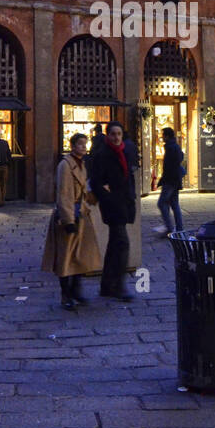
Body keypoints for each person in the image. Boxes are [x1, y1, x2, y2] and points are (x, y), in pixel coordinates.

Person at [43, 132, 103, 309]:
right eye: (81, 144)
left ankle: (76, 291)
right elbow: (64, 195)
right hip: (69, 216)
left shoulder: (82, 164)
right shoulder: (65, 165)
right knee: (66, 258)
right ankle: (65, 295)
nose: (84, 147)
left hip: (81, 215)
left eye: (85, 144)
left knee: (80, 255)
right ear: (73, 146)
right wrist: (68, 220)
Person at [87, 120, 137, 300]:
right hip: (112, 205)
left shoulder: (125, 151)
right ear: (107, 135)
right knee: (122, 244)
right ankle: (119, 285)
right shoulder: (102, 154)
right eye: (113, 134)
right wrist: (108, 198)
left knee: (114, 244)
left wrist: (131, 198)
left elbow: (129, 177)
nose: (116, 137)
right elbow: (95, 182)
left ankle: (107, 285)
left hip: (124, 203)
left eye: (119, 134)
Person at [155, 126, 184, 235]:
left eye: (163, 135)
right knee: (174, 204)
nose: (162, 137)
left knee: (161, 203)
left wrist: (163, 179)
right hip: (175, 179)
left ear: (167, 136)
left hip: (170, 180)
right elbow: (180, 157)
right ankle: (179, 228)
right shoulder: (175, 146)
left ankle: (169, 227)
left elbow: (169, 166)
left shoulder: (171, 147)